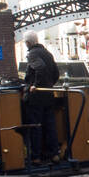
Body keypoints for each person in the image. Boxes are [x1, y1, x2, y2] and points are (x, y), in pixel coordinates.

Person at [21, 32, 62, 167]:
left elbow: (40, 68)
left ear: (28, 43)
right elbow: (56, 73)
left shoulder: (32, 54)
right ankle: (54, 154)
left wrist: (35, 86)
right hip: (48, 95)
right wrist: (49, 85)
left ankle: (36, 157)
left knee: (35, 126)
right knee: (50, 125)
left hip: (36, 97)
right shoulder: (47, 53)